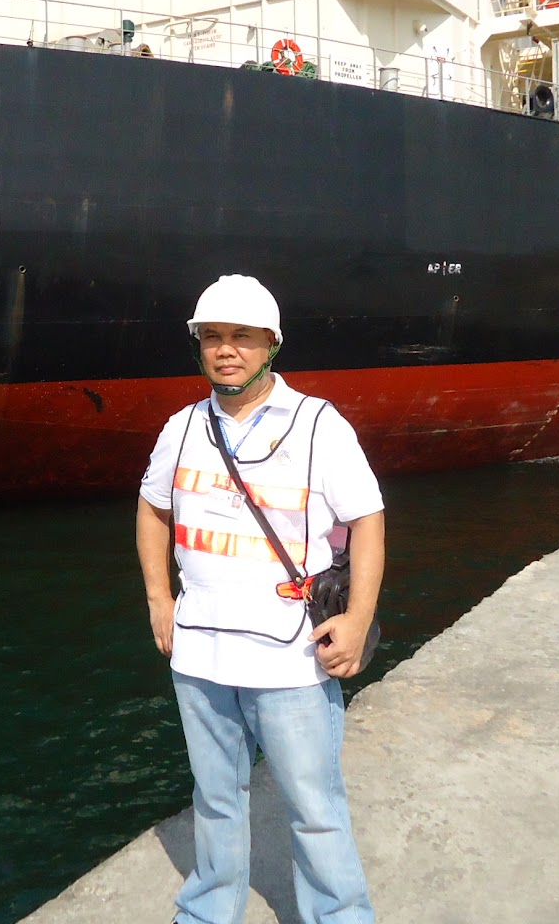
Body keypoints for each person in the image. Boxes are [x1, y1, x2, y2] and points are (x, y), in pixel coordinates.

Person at [136, 274, 385, 924]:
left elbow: (368, 519)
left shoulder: (317, 425)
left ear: (271, 344)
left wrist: (357, 618)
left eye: (241, 338)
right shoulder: (183, 428)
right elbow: (152, 507)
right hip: (200, 657)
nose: (226, 351)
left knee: (315, 807)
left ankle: (342, 917)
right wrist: (160, 597)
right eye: (212, 337)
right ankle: (208, 911)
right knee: (216, 800)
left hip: (290, 663)